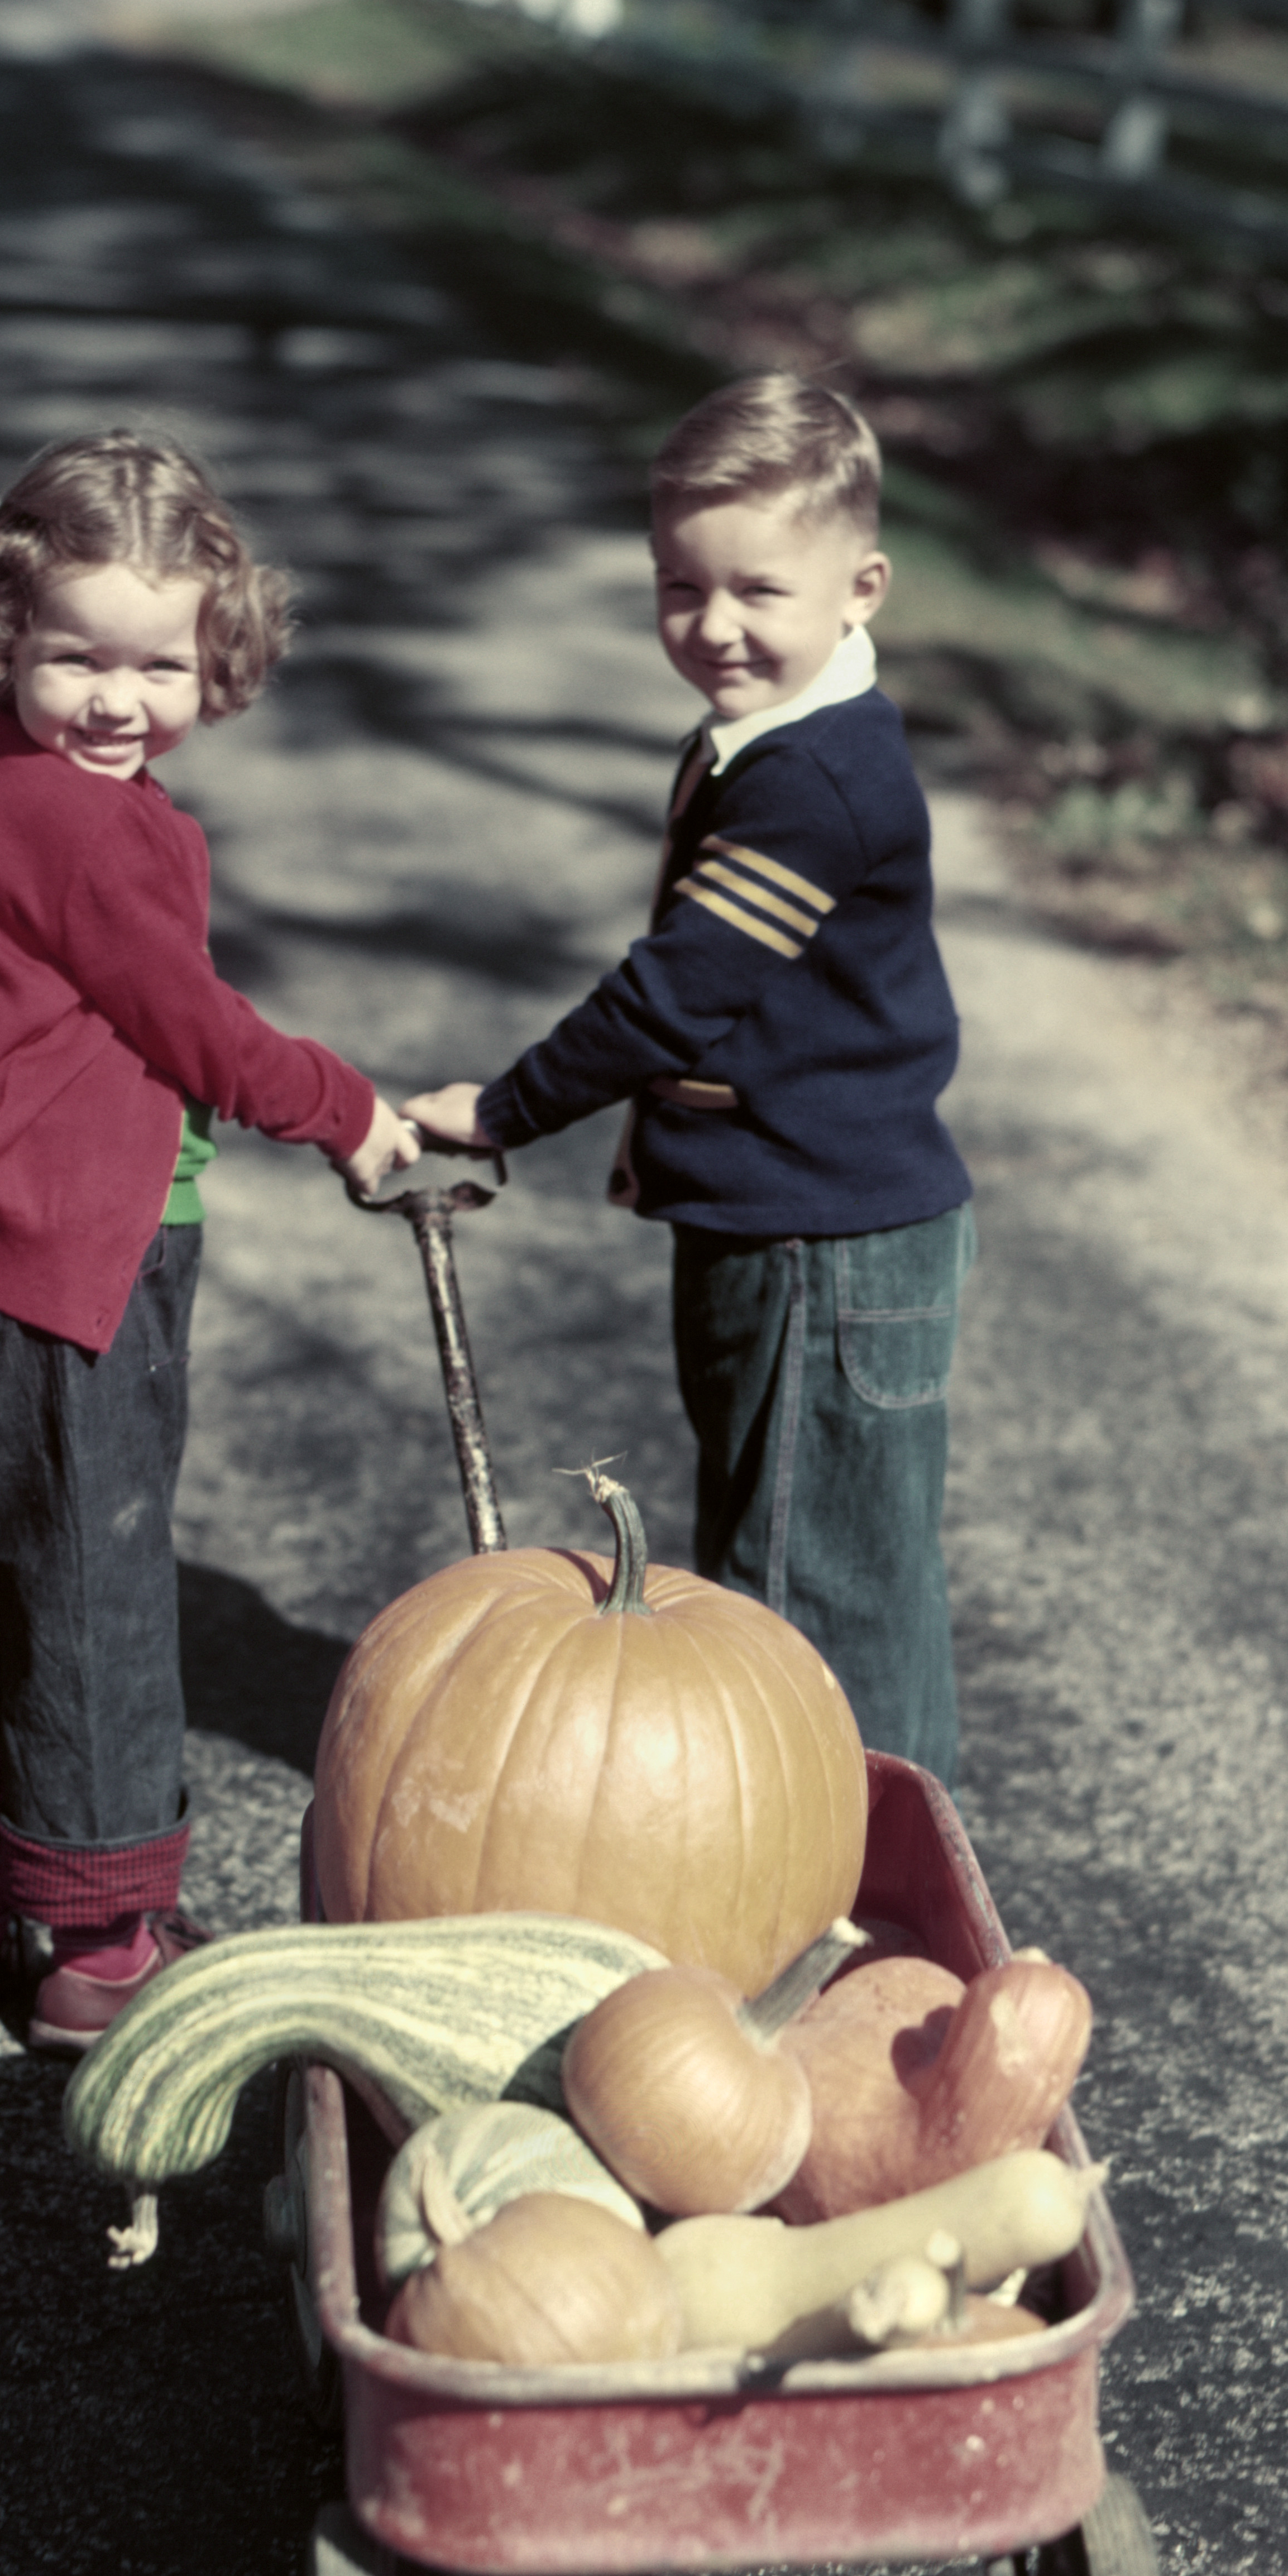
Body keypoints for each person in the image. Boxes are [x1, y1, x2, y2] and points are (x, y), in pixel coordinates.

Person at [0, 430, 419, 2047]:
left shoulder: (7, 779)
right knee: (105, 1590)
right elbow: (191, 1025)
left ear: (217, 654)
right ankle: (108, 1933)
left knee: (22, 1587)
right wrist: (349, 1108)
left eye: (158, 663)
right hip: (78, 1264)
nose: (117, 699)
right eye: (73, 659)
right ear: (4, 641)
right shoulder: (101, 829)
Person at [405, 374, 974, 1780]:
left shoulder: (810, 783)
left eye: (756, 592)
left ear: (862, 587)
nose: (711, 626)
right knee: (790, 1564)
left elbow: (678, 994)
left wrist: (503, 1109)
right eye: (678, 588)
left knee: (808, 1602)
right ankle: (856, 1861)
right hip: (775, 1226)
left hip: (817, 1245)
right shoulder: (769, 743)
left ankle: (849, 1906)